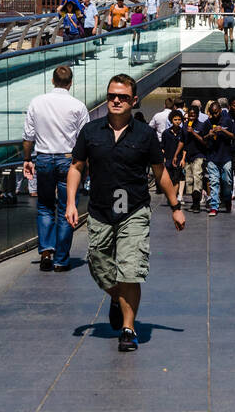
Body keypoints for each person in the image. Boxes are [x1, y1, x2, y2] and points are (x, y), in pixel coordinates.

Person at [67, 75, 186, 353]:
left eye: (122, 96)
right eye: (111, 96)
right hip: (100, 210)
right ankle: (118, 298)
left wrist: (175, 207)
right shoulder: (91, 131)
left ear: (134, 100)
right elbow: (76, 166)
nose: (116, 100)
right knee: (98, 264)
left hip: (134, 210)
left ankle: (128, 329)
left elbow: (160, 172)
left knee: (130, 270)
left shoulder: (145, 135)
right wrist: (71, 203)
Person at [21, 65, 90, 273]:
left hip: (42, 158)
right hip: (68, 160)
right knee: (67, 207)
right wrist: (85, 165)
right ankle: (61, 259)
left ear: (52, 81)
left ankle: (45, 252)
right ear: (70, 83)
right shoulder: (78, 106)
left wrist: (27, 158)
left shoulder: (37, 102)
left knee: (44, 206)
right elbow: (85, 139)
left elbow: (28, 137)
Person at [204, 99, 235, 216]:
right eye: (212, 113)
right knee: (214, 182)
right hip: (212, 157)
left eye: (216, 112)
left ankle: (227, 199)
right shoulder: (208, 122)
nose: (214, 115)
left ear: (220, 111)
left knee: (227, 181)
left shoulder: (227, 121)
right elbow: (203, 139)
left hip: (226, 156)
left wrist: (222, 130)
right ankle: (214, 206)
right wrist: (209, 134)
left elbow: (234, 136)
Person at [160, 109, 187, 203]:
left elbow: (185, 147)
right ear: (171, 120)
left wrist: (183, 159)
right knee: (169, 180)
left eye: (179, 119)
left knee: (177, 179)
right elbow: (162, 147)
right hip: (168, 159)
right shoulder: (166, 133)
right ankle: (171, 196)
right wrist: (163, 158)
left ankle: (173, 198)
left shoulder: (183, 132)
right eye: (175, 119)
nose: (177, 121)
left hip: (179, 159)